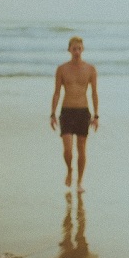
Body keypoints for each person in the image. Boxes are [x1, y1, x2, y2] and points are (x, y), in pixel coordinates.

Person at [51, 36, 99, 193]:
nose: (77, 51)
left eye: (79, 48)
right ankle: (69, 170)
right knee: (67, 149)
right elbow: (57, 93)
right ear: (69, 50)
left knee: (81, 148)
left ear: (83, 49)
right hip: (66, 111)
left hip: (83, 112)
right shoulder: (62, 69)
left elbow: (94, 94)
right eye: (74, 48)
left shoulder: (90, 69)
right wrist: (52, 114)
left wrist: (96, 116)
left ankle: (79, 181)